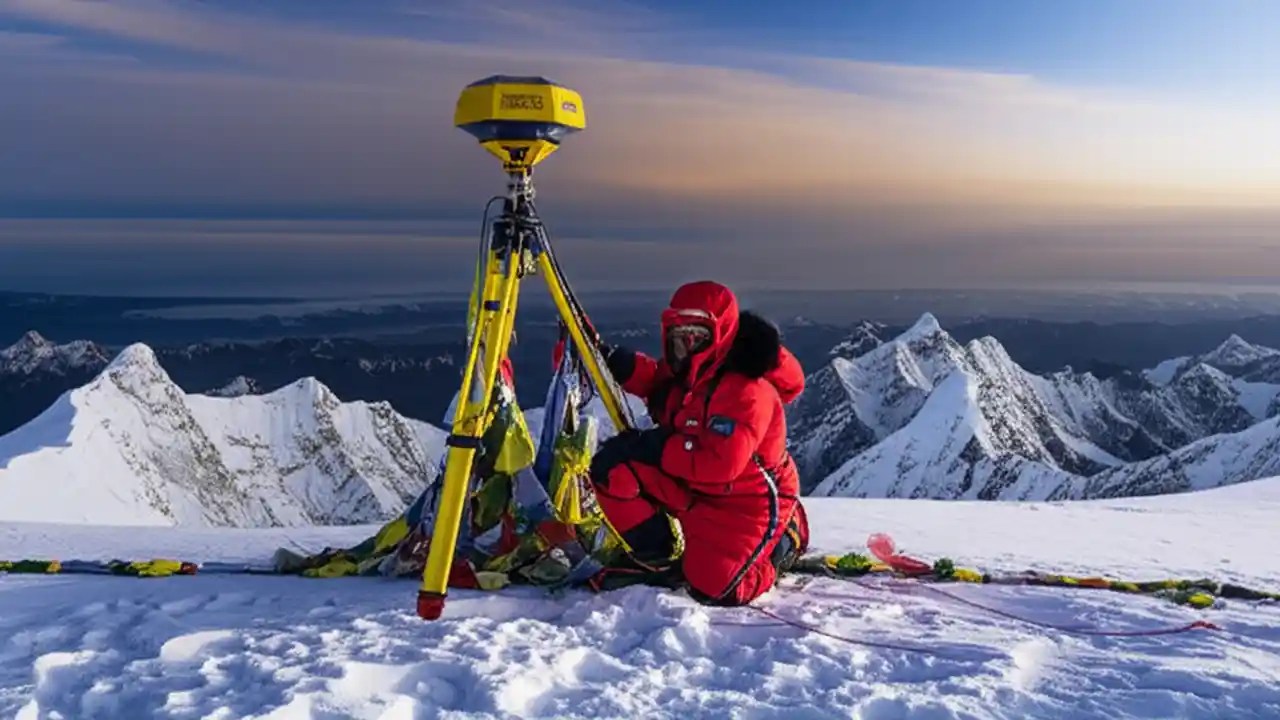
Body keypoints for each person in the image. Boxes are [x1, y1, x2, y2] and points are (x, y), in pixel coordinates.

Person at [588, 280, 809, 606]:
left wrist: (656, 447)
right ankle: (656, 557)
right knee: (612, 470)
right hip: (693, 487)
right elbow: (658, 381)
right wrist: (611, 360)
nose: (688, 346)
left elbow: (720, 465)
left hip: (747, 503)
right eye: (680, 337)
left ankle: (785, 539)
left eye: (698, 336)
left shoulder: (746, 392)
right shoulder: (693, 371)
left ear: (720, 335)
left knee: (716, 587)